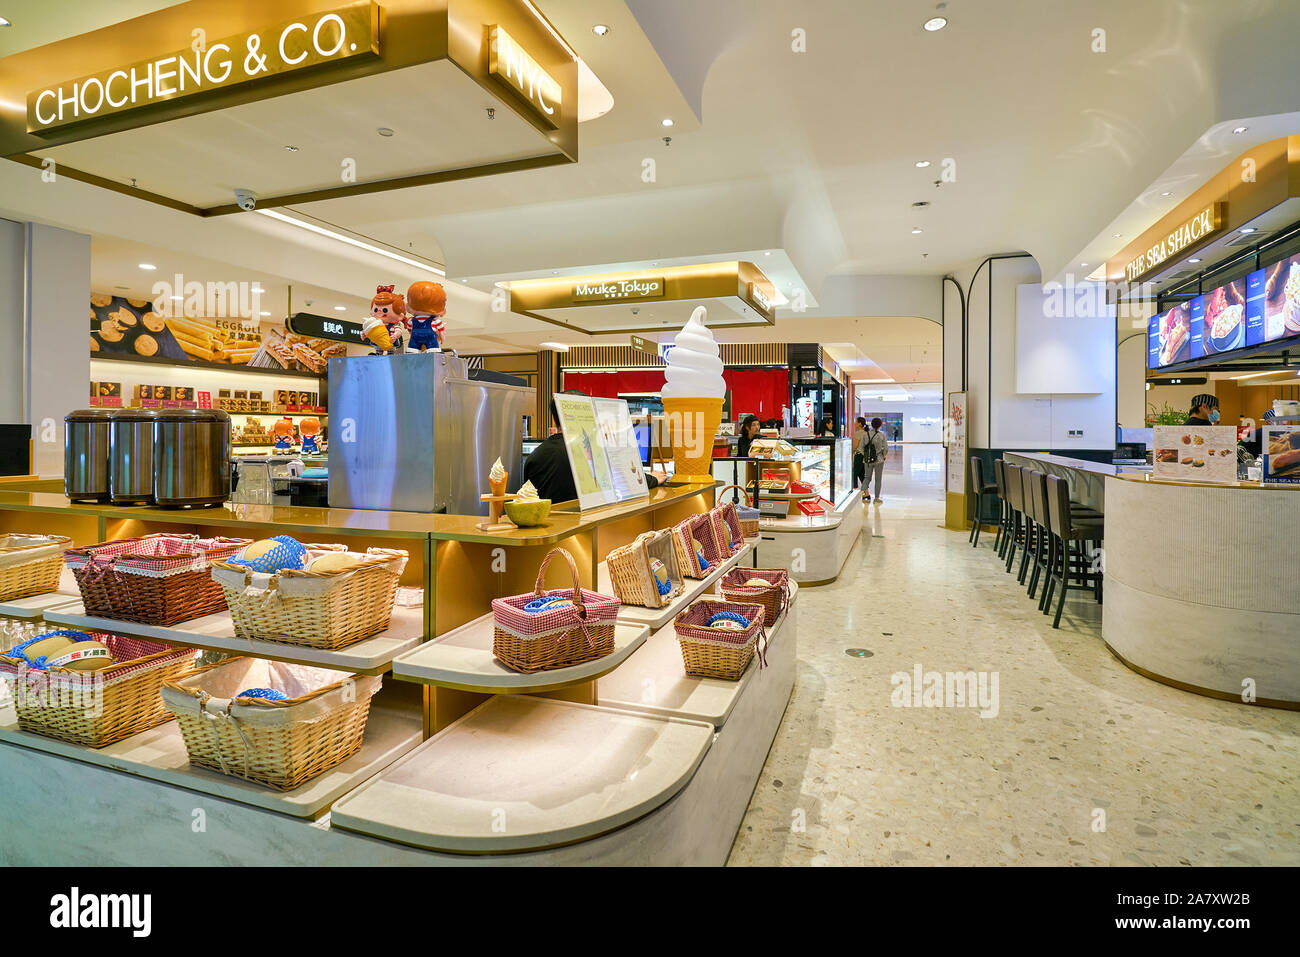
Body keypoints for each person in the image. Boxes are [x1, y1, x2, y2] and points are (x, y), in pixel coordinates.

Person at [524, 392, 664, 502]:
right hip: (587, 529)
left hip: (549, 531)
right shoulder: (593, 449)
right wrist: (654, 479)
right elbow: (630, 481)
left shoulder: (536, 455)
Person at [863, 416, 889, 503]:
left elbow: (862, 447)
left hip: (867, 460)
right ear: (880, 425)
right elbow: (885, 448)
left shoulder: (865, 435)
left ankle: (863, 492)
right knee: (878, 479)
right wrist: (884, 455)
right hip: (879, 460)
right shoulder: (881, 435)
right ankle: (876, 498)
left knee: (867, 477)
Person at [851, 416, 868, 493]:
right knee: (862, 474)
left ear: (859, 424)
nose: (855, 423)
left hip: (859, 455)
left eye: (856, 422)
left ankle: (853, 491)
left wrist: (850, 453)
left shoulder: (858, 433)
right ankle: (866, 493)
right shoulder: (866, 433)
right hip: (865, 456)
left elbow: (855, 446)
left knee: (854, 473)